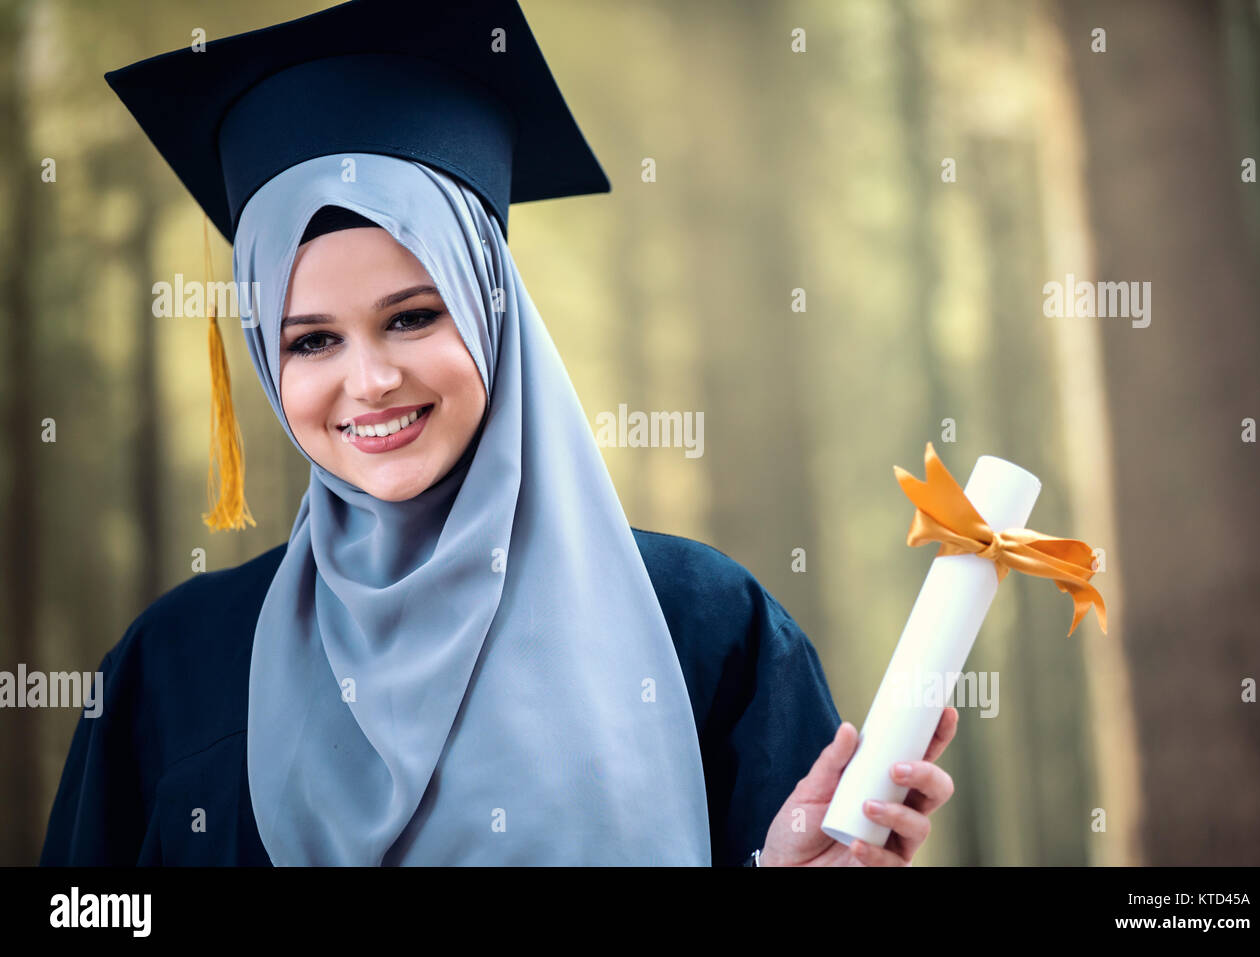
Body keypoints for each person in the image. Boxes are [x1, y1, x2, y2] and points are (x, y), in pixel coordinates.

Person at [40, 0, 956, 867]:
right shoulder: (174, 669)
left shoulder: (705, 628)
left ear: (494, 314)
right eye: (312, 339)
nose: (370, 380)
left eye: (412, 316)